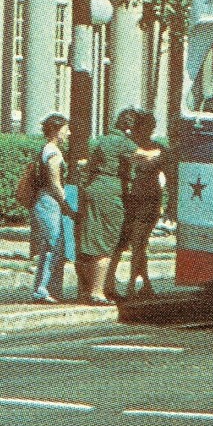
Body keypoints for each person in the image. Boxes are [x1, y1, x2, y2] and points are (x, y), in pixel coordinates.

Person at [77, 108, 158, 305]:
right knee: (107, 242)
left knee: (92, 240)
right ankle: (98, 292)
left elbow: (85, 166)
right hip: (110, 192)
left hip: (94, 189)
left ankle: (96, 289)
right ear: (130, 128)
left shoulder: (101, 140)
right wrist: (165, 151)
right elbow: (145, 157)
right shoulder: (123, 142)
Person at [107, 111, 167, 300]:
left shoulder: (152, 147)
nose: (149, 131)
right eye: (146, 126)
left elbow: (169, 173)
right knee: (124, 242)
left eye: (151, 127)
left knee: (139, 242)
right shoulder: (128, 146)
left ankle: (133, 284)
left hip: (148, 200)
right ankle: (132, 284)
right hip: (129, 199)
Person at [30, 114, 76, 304]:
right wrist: (66, 203)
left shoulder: (47, 149)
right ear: (56, 131)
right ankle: (41, 290)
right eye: (65, 129)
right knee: (51, 245)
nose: (68, 132)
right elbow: (55, 183)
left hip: (44, 201)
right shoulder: (53, 153)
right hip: (49, 202)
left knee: (53, 245)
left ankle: (50, 289)